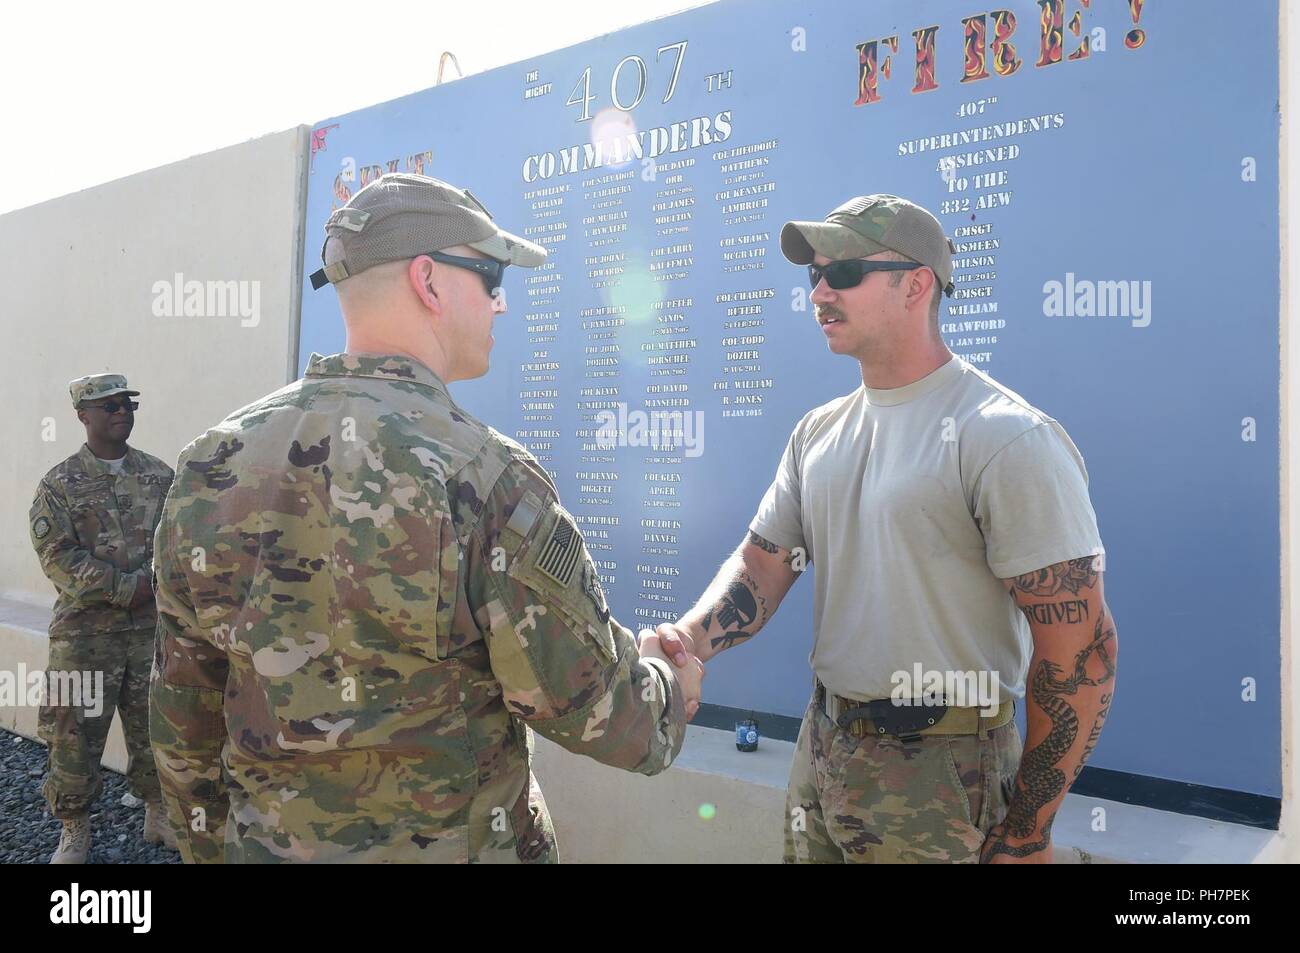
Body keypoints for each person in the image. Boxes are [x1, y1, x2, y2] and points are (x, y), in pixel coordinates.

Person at [149, 173, 703, 863]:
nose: (501, 304)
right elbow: (611, 718)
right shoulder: (485, 479)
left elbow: (183, 720)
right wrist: (668, 683)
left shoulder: (208, 464)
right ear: (429, 281)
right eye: (491, 276)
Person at [657, 194, 1117, 863]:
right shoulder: (818, 432)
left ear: (917, 284)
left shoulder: (1004, 437)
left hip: (946, 775)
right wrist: (687, 642)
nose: (819, 291)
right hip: (823, 753)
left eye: (842, 273)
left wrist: (1028, 829)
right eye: (812, 275)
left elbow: (1082, 653)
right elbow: (761, 567)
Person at [30, 373, 177, 863]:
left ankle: (158, 813)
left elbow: (177, 543)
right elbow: (57, 556)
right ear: (83, 416)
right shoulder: (59, 483)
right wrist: (125, 586)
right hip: (84, 636)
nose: (120, 411)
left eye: (126, 403)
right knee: (72, 734)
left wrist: (150, 583)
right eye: (108, 405)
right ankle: (75, 830)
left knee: (157, 727)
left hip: (151, 632)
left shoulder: (160, 477)